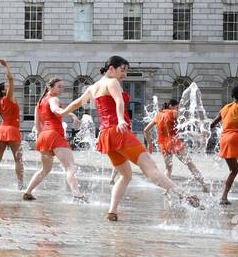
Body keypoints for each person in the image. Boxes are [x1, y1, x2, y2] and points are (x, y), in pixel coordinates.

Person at [62, 56, 201, 222]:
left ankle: (112, 211)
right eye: (123, 70)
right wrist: (121, 119)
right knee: (151, 168)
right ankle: (184, 195)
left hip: (106, 135)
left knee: (126, 175)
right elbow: (119, 101)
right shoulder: (112, 82)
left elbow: (78, 103)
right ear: (111, 69)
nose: (125, 75)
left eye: (126, 71)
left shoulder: (94, 87)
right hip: (118, 132)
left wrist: (61, 113)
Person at [22, 77, 84, 201]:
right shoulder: (53, 99)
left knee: (45, 169)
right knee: (70, 167)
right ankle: (78, 195)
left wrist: (42, 138)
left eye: (63, 86)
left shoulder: (39, 103)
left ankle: (28, 192)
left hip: (44, 136)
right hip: (54, 134)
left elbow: (37, 124)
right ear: (50, 87)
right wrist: (71, 113)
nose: (62, 89)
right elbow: (56, 109)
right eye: (59, 86)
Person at [147, 100, 210, 190]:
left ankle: (166, 190)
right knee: (190, 164)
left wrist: (150, 144)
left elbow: (145, 130)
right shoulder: (174, 112)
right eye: (177, 107)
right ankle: (205, 185)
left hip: (164, 144)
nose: (178, 109)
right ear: (171, 106)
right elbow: (184, 125)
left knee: (168, 169)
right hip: (174, 142)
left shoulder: (158, 115)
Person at [0, 60, 25, 190]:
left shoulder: (0, 103)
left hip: (2, 131)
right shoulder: (9, 97)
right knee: (18, 160)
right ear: (4, 90)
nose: (9, 85)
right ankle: (20, 185)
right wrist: (6, 66)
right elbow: (11, 78)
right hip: (12, 130)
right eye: (7, 85)